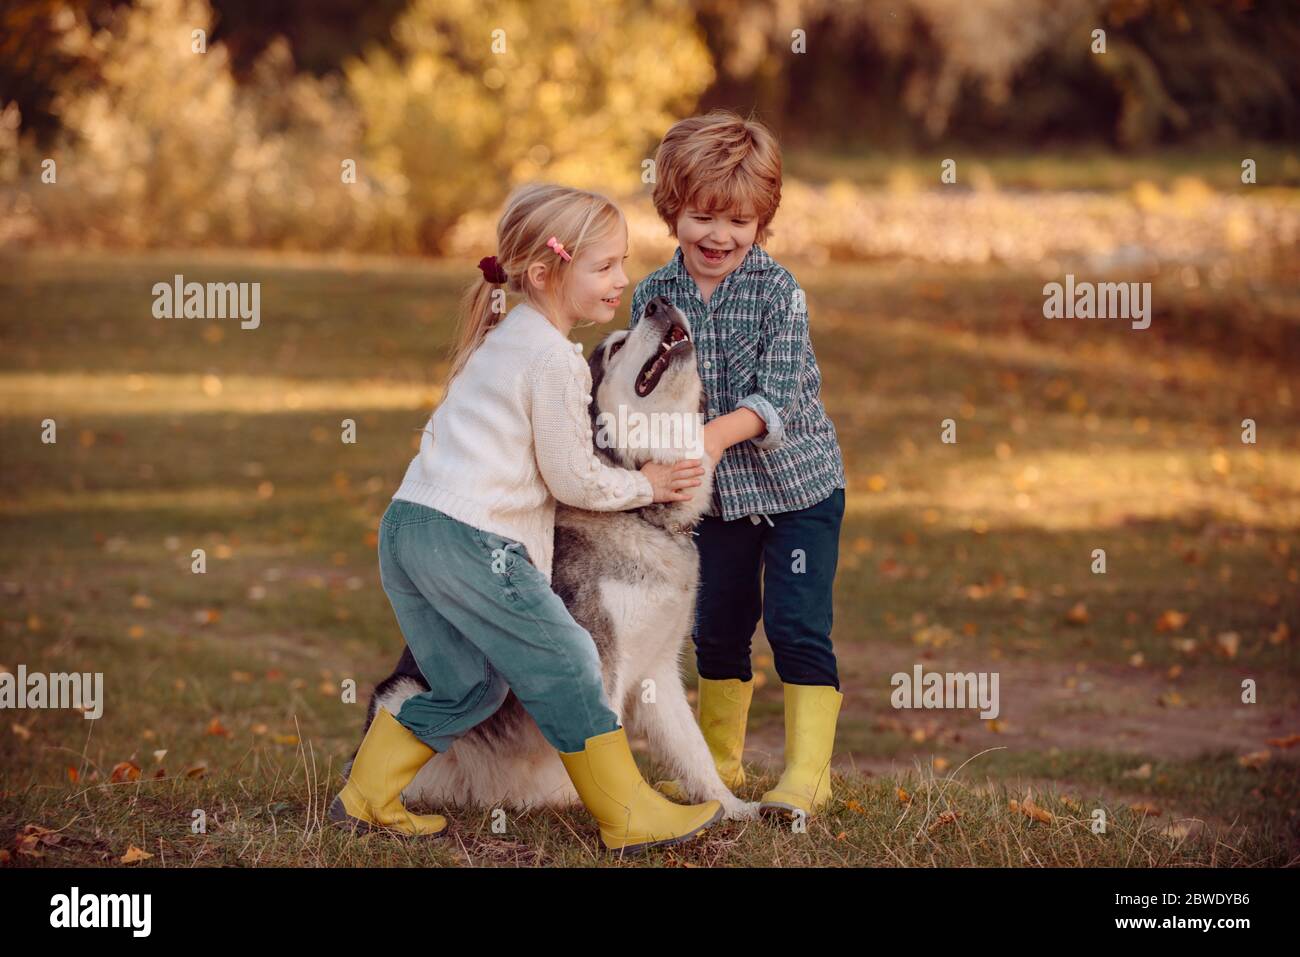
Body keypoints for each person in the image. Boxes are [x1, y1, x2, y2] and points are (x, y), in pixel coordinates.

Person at [330, 183, 722, 853]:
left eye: (621, 262)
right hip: (472, 540)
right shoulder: (554, 361)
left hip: (409, 530)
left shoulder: (503, 338)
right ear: (547, 274)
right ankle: (627, 812)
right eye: (603, 267)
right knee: (570, 656)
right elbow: (573, 475)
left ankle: (364, 795)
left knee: (471, 680)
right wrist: (645, 483)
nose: (620, 280)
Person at [631, 112, 848, 819]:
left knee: (795, 625)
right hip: (713, 501)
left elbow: (776, 398)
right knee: (717, 627)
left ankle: (808, 775)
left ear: (763, 222)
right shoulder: (653, 299)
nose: (719, 236)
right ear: (673, 211)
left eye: (740, 221)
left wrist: (713, 436)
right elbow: (644, 387)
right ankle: (720, 761)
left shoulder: (779, 293)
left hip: (799, 492)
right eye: (703, 217)